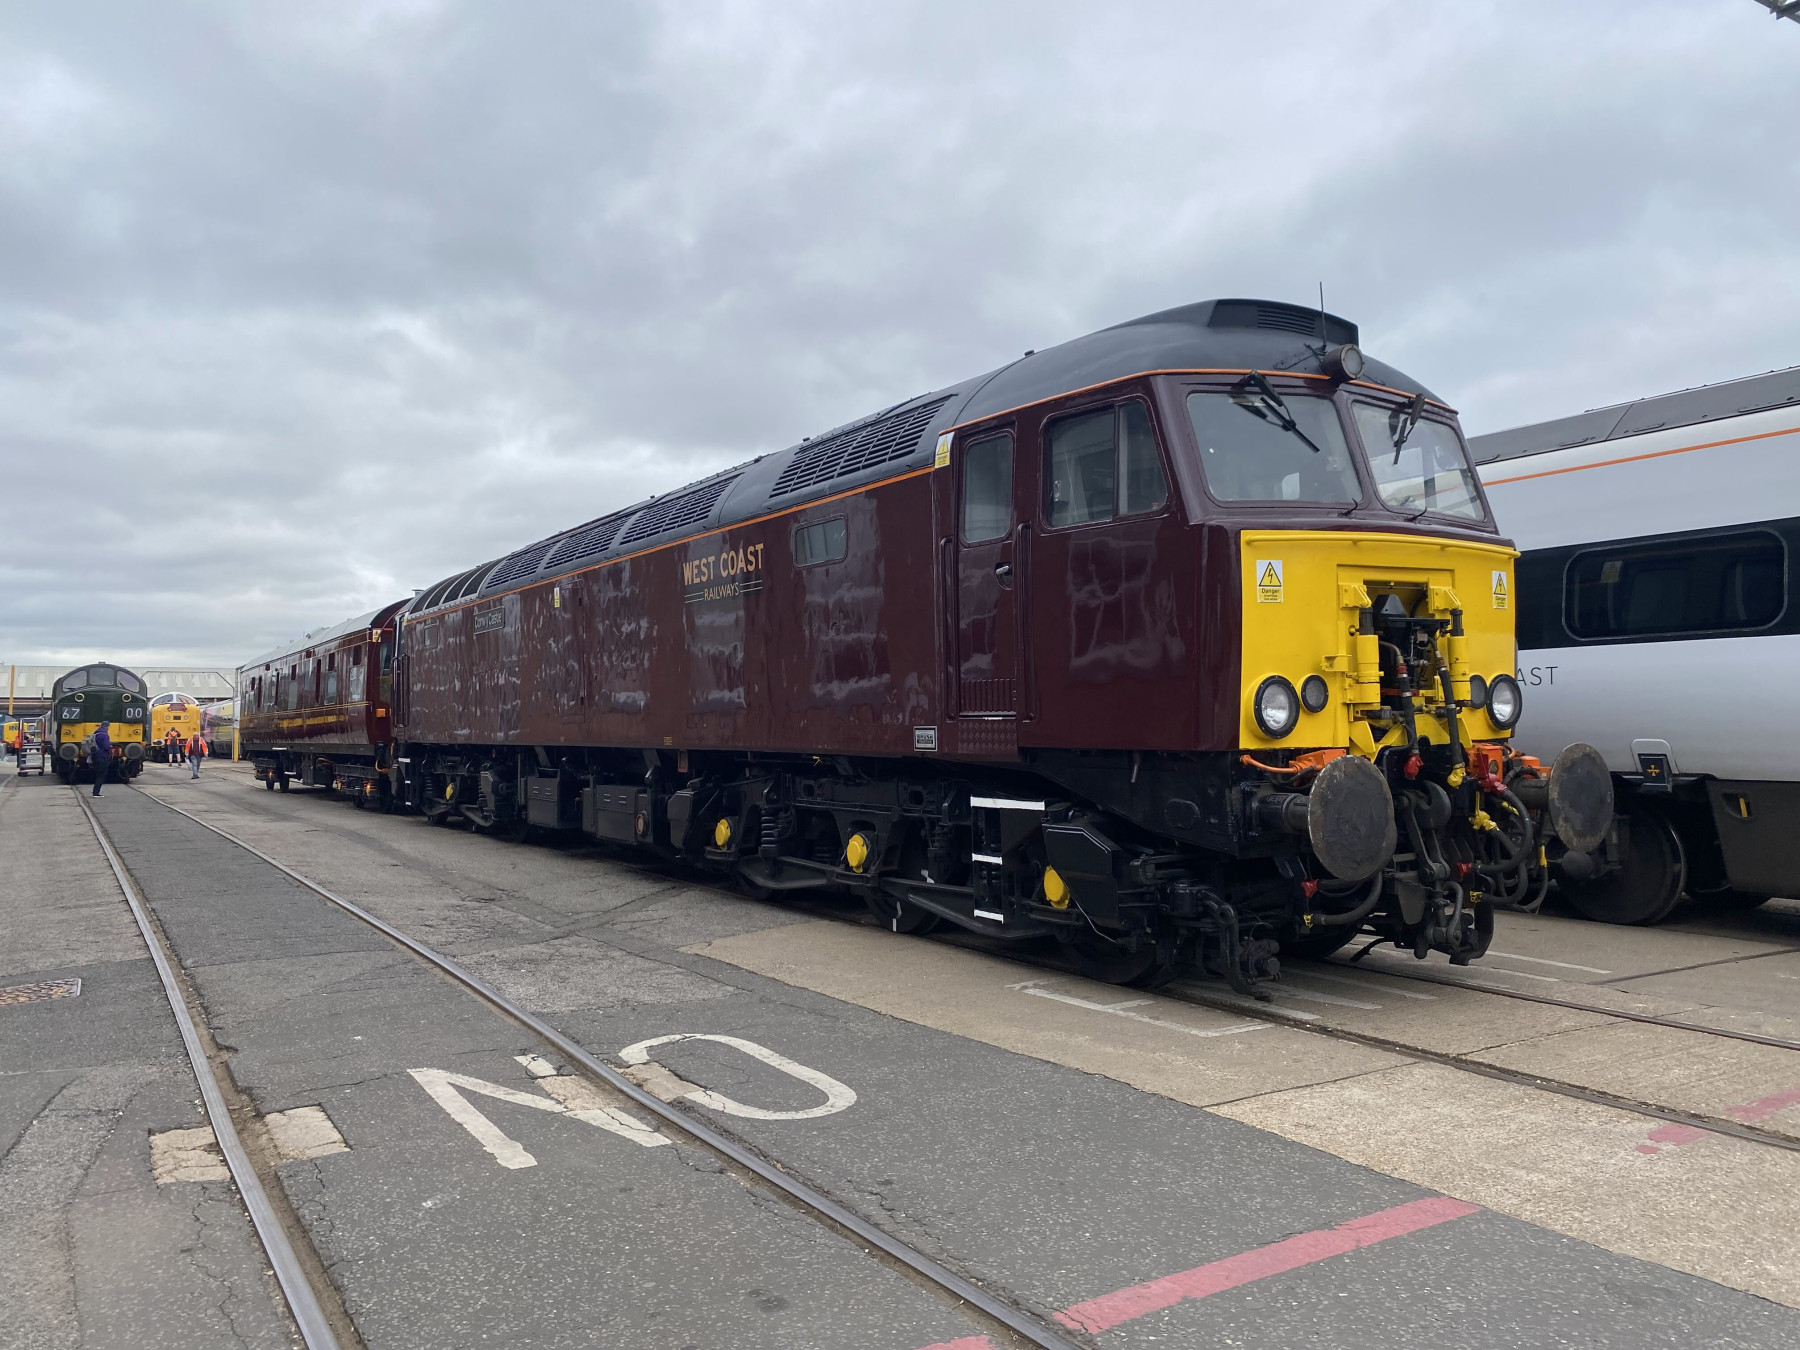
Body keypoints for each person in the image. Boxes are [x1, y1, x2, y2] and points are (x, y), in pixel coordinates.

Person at [89, 722, 113, 796]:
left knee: (98, 774)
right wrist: (110, 746)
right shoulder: (105, 735)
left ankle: (95, 791)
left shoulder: (96, 734)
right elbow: (106, 746)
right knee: (101, 775)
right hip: (102, 757)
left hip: (95, 756)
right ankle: (96, 792)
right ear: (106, 727)